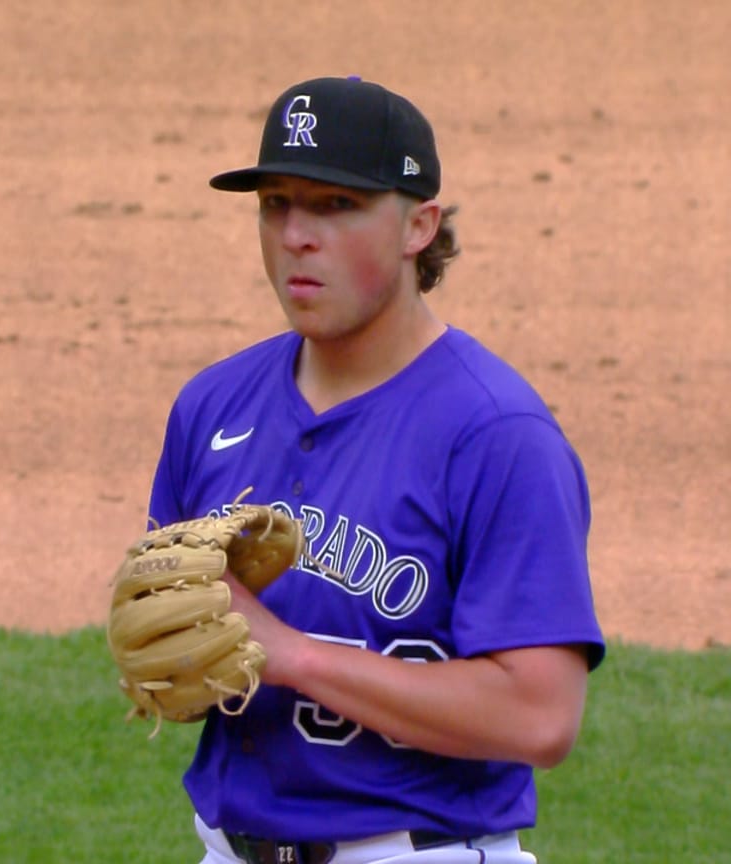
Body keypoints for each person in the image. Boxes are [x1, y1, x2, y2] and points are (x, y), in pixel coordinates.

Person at [142, 76, 606, 864]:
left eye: (336, 205)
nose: (297, 235)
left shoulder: (497, 436)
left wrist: (292, 655)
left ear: (419, 225)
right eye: (276, 204)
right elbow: (185, 671)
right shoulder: (212, 407)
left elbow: (539, 719)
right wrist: (175, 659)